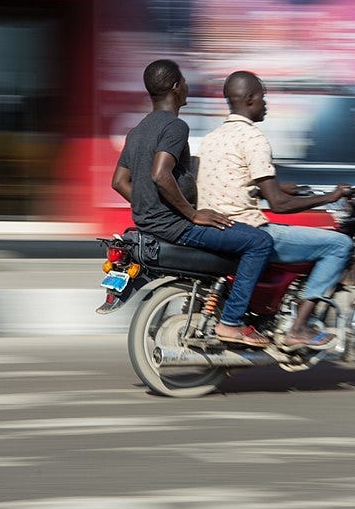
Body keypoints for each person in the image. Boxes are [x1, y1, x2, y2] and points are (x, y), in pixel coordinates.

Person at [111, 60, 273, 348]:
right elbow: (160, 174)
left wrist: (148, 206)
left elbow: (120, 181)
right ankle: (232, 323)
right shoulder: (175, 126)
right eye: (184, 81)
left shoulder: (138, 131)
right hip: (177, 227)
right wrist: (192, 214)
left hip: (150, 225)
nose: (186, 86)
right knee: (259, 242)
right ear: (175, 87)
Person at [196, 70, 354, 350]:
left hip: (216, 228)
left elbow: (234, 185)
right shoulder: (254, 139)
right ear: (248, 99)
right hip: (247, 229)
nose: (266, 103)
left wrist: (278, 189)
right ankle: (299, 328)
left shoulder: (212, 138)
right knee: (338, 244)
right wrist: (331, 196)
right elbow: (279, 206)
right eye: (263, 97)